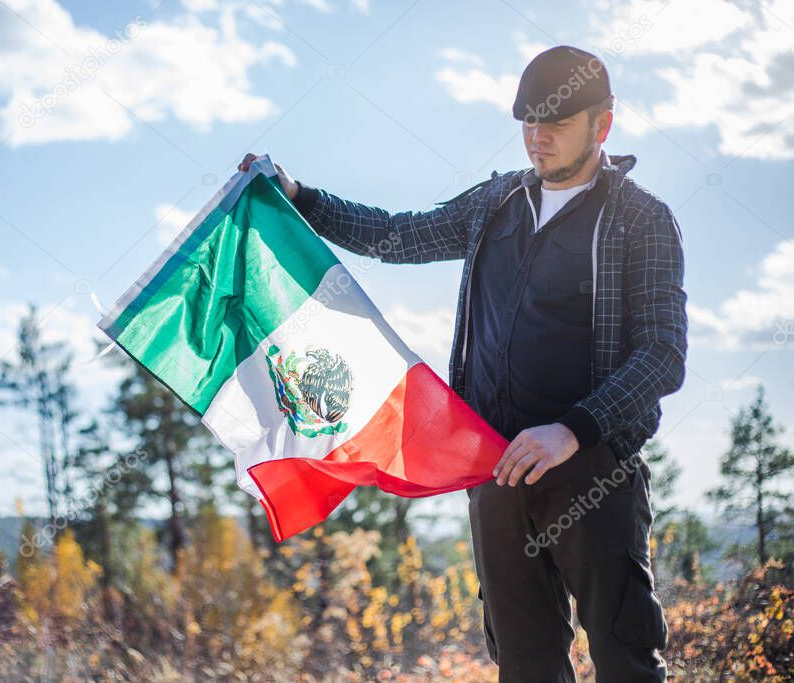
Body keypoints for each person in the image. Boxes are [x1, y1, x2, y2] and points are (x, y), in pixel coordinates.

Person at [238, 44, 687, 682]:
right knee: (525, 664)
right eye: (529, 125)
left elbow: (663, 354)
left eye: (555, 125)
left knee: (625, 658)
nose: (538, 140)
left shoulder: (643, 220)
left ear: (603, 123)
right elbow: (396, 234)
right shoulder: (494, 204)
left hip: (593, 473)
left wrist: (571, 431)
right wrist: (296, 195)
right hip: (494, 473)